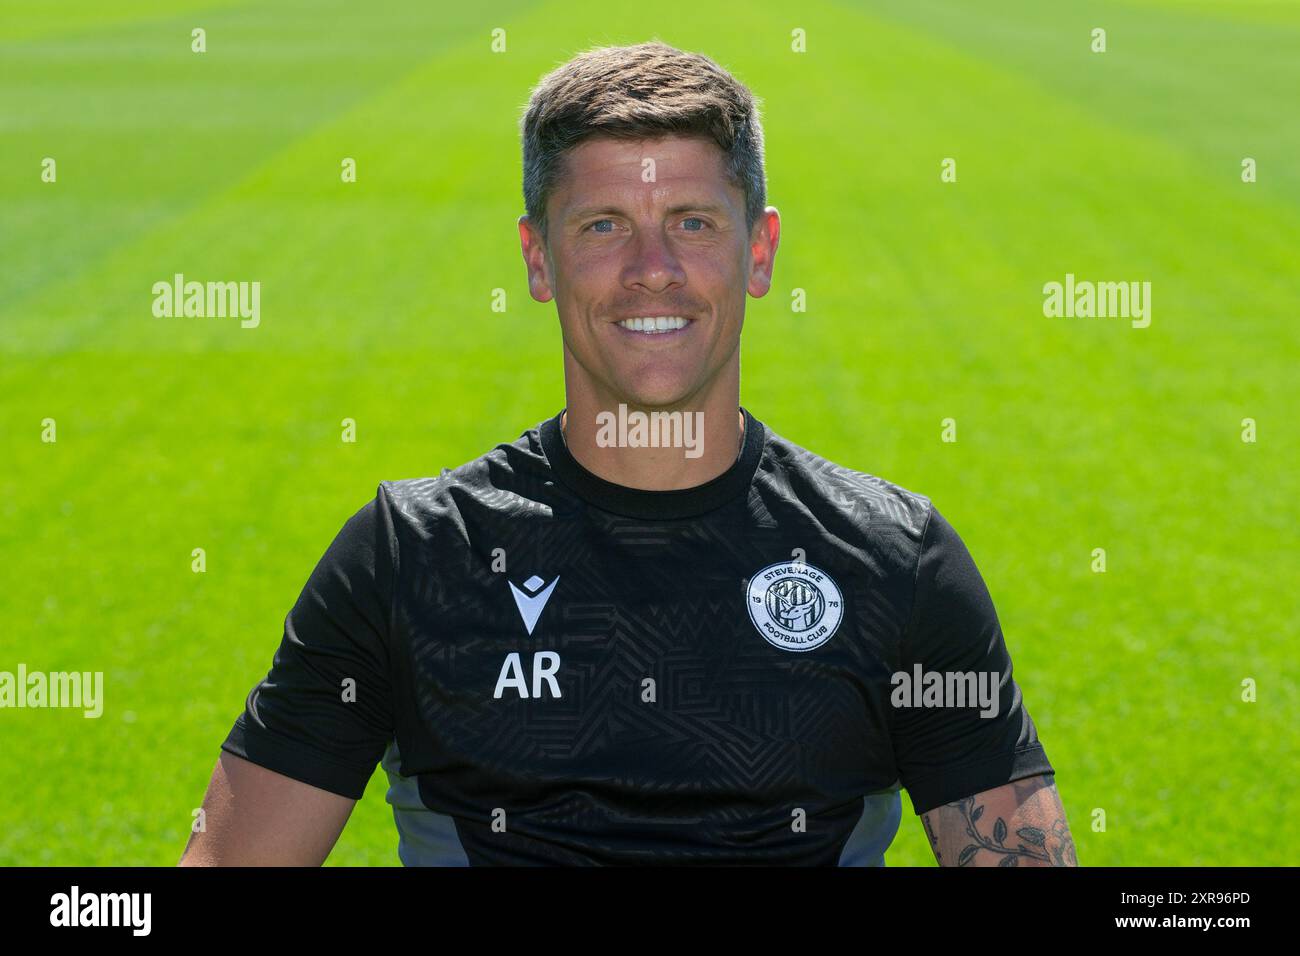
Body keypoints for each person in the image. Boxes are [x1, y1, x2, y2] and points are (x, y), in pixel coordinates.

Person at [180, 39, 1076, 867]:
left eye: (691, 222)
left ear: (758, 251)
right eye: (604, 225)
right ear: (538, 261)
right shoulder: (411, 557)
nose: (653, 268)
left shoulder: (895, 562)